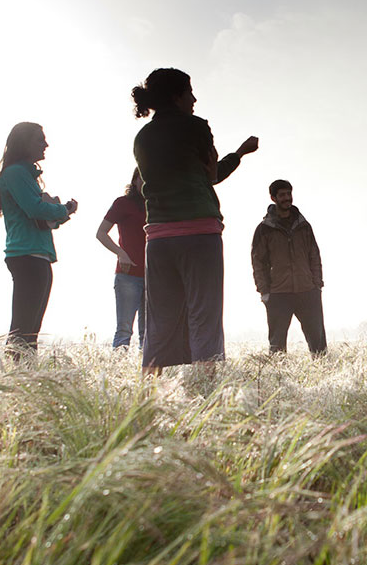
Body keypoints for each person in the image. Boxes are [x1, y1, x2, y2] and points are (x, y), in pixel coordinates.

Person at [131, 68, 259, 369]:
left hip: (158, 237)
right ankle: (208, 397)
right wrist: (240, 153)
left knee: (159, 320)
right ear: (177, 96)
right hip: (199, 232)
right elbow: (212, 175)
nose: (194, 98)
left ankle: (147, 399)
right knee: (204, 315)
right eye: (190, 92)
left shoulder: (142, 137)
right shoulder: (195, 127)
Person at [0, 122, 78, 357]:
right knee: (24, 328)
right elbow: (34, 209)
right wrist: (64, 209)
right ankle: (15, 377)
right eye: (40, 140)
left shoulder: (22, 174)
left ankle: (24, 377)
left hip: (34, 254)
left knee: (30, 329)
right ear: (24, 143)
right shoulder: (16, 173)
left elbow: (37, 214)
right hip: (28, 255)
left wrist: (61, 213)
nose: (46, 145)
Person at [250, 179, 327, 355]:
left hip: (307, 291)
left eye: (289, 194)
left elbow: (314, 255)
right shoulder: (264, 229)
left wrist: (317, 285)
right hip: (278, 294)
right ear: (273, 198)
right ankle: (278, 380)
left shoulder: (304, 226)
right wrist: (264, 292)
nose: (287, 198)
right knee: (277, 347)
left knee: (318, 344)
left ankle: (323, 376)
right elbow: (257, 262)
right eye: (282, 195)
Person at [96, 168, 147, 349]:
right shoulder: (123, 203)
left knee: (148, 332)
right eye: (142, 177)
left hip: (156, 275)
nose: (146, 181)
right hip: (129, 275)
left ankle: (149, 375)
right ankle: (118, 370)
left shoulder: (158, 204)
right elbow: (101, 233)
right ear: (135, 180)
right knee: (124, 329)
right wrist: (121, 253)